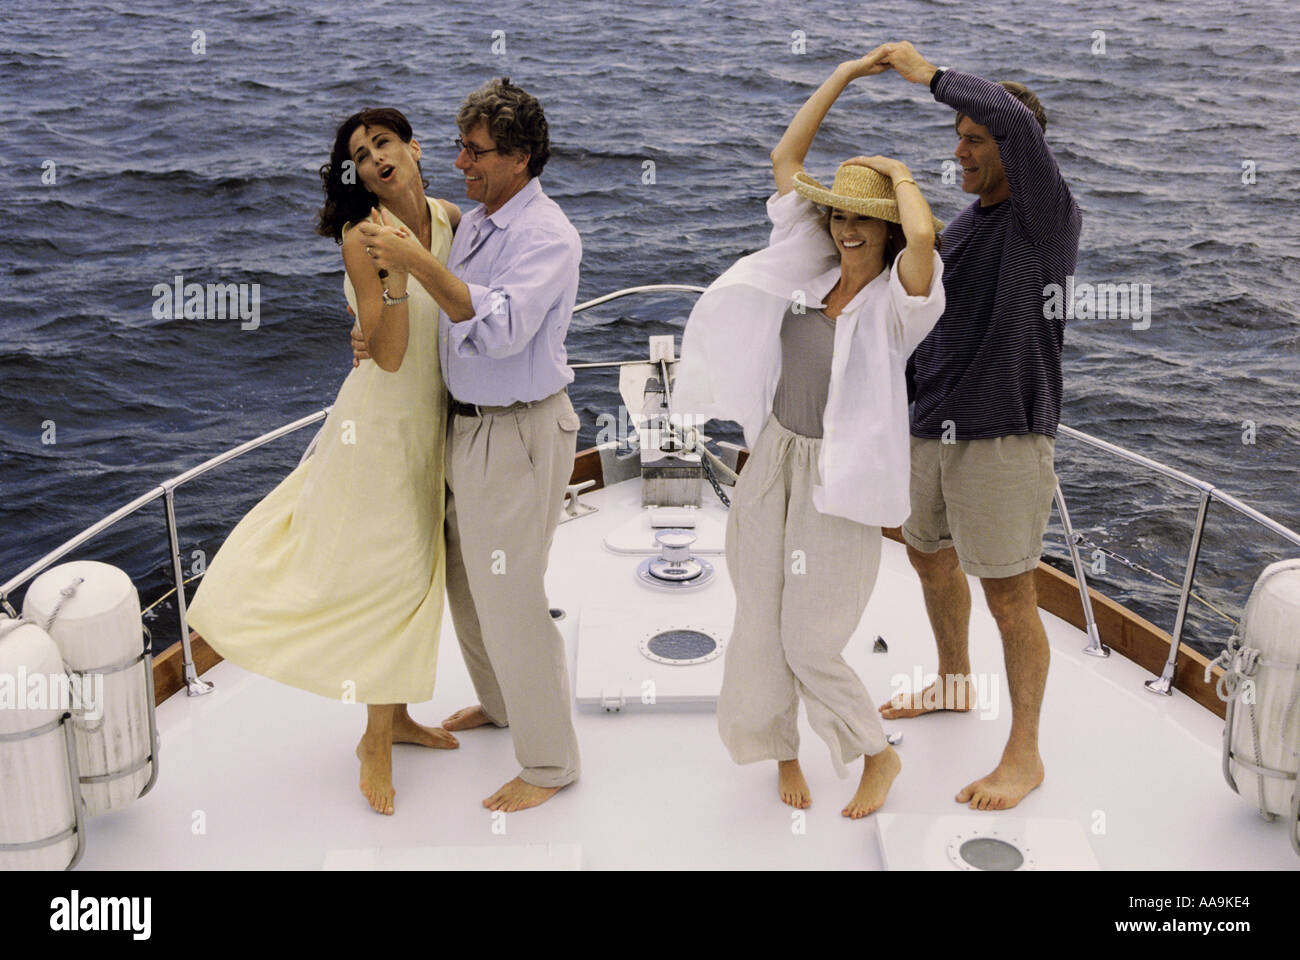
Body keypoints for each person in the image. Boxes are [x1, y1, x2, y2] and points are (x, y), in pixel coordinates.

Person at [672, 51, 946, 818]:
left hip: (841, 478)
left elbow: (923, 240)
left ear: (884, 227)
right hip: (772, 459)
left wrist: (895, 171)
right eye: (839, 214)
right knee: (758, 621)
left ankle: (877, 754)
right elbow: (787, 158)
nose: (846, 229)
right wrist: (850, 74)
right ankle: (781, 750)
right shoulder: (811, 268)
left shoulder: (901, 305)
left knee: (810, 639)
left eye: (862, 219)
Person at [187, 107, 462, 817]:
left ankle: (394, 717)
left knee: (417, 569)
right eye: (361, 153)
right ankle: (374, 739)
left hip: (435, 422)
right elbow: (392, 355)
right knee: (390, 570)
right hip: (381, 423)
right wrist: (397, 275)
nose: (374, 157)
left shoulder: (450, 216)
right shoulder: (361, 236)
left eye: (384, 142)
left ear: (412, 147)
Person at [352, 78, 583, 814]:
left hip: (516, 433)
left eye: (476, 151)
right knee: (467, 585)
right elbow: (433, 306)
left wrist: (415, 260)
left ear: (517, 157)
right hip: (468, 426)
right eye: (458, 147)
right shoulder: (483, 219)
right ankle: (505, 704)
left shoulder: (547, 235)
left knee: (511, 600)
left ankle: (550, 763)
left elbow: (501, 326)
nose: (461, 163)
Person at [867, 42, 1083, 811]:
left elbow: (1012, 123)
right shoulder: (959, 228)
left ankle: (1024, 755)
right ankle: (954, 682)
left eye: (975, 137)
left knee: (1012, 597)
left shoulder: (1044, 217)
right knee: (928, 559)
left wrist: (926, 73)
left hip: (1004, 435)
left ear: (1016, 147)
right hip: (930, 428)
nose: (960, 150)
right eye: (955, 136)